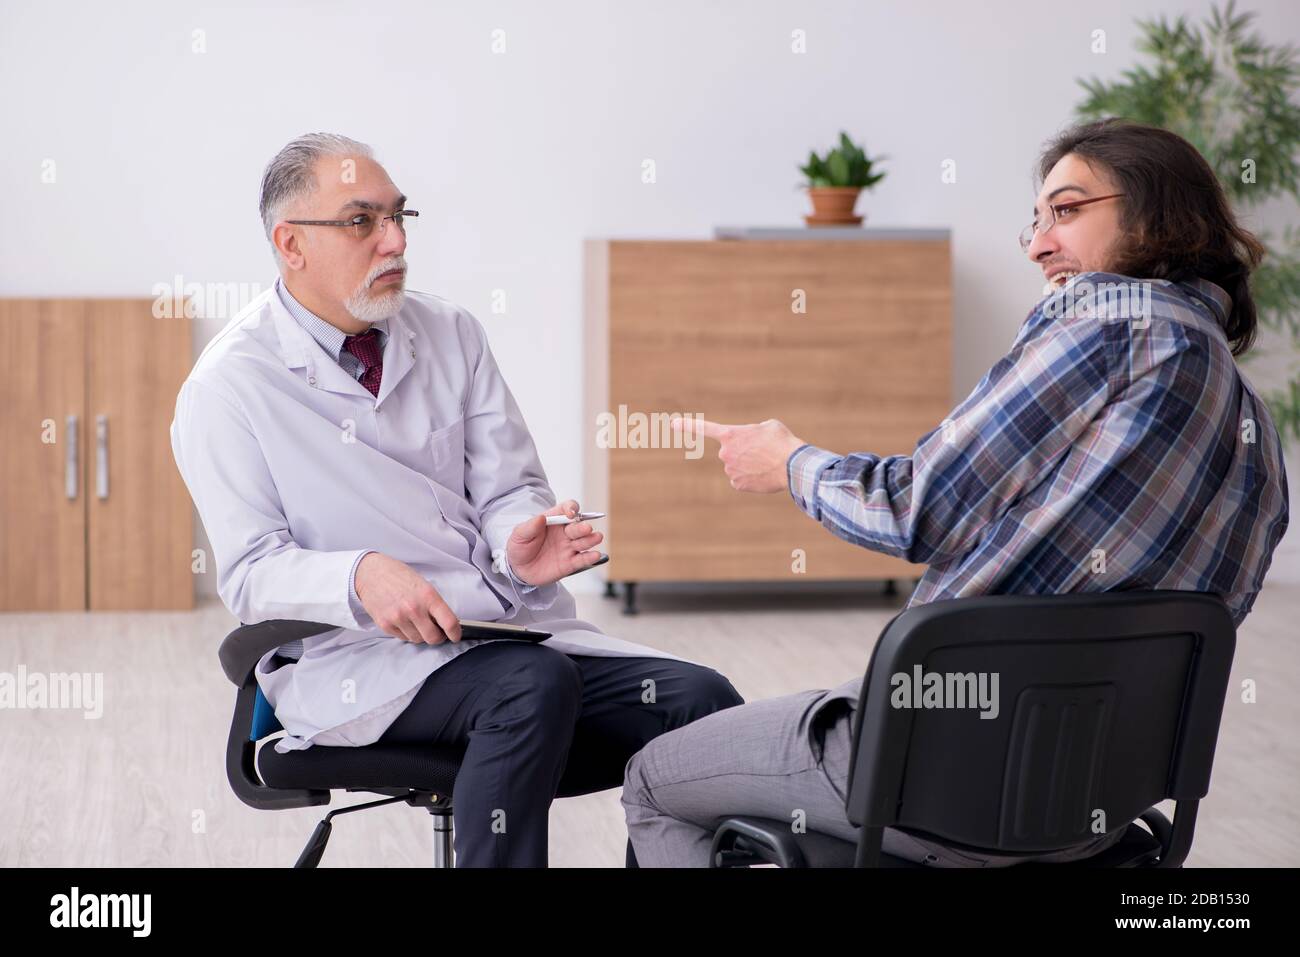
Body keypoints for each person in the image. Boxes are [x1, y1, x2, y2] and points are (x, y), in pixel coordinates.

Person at [621, 118, 1290, 867]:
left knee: (654, 775)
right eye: (1034, 223)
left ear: (1162, 213)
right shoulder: (1254, 429)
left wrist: (788, 461)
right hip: (1092, 808)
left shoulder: (1106, 321)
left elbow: (914, 510)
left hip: (941, 780)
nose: (1038, 245)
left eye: (1066, 211)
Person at [170, 133, 742, 867]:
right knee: (529, 687)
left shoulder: (450, 333)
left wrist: (516, 543)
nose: (396, 240)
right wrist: (359, 575)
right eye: (362, 221)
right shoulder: (228, 386)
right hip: (361, 658)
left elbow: (511, 486)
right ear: (291, 244)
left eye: (399, 216)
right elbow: (251, 573)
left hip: (498, 630)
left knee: (701, 702)